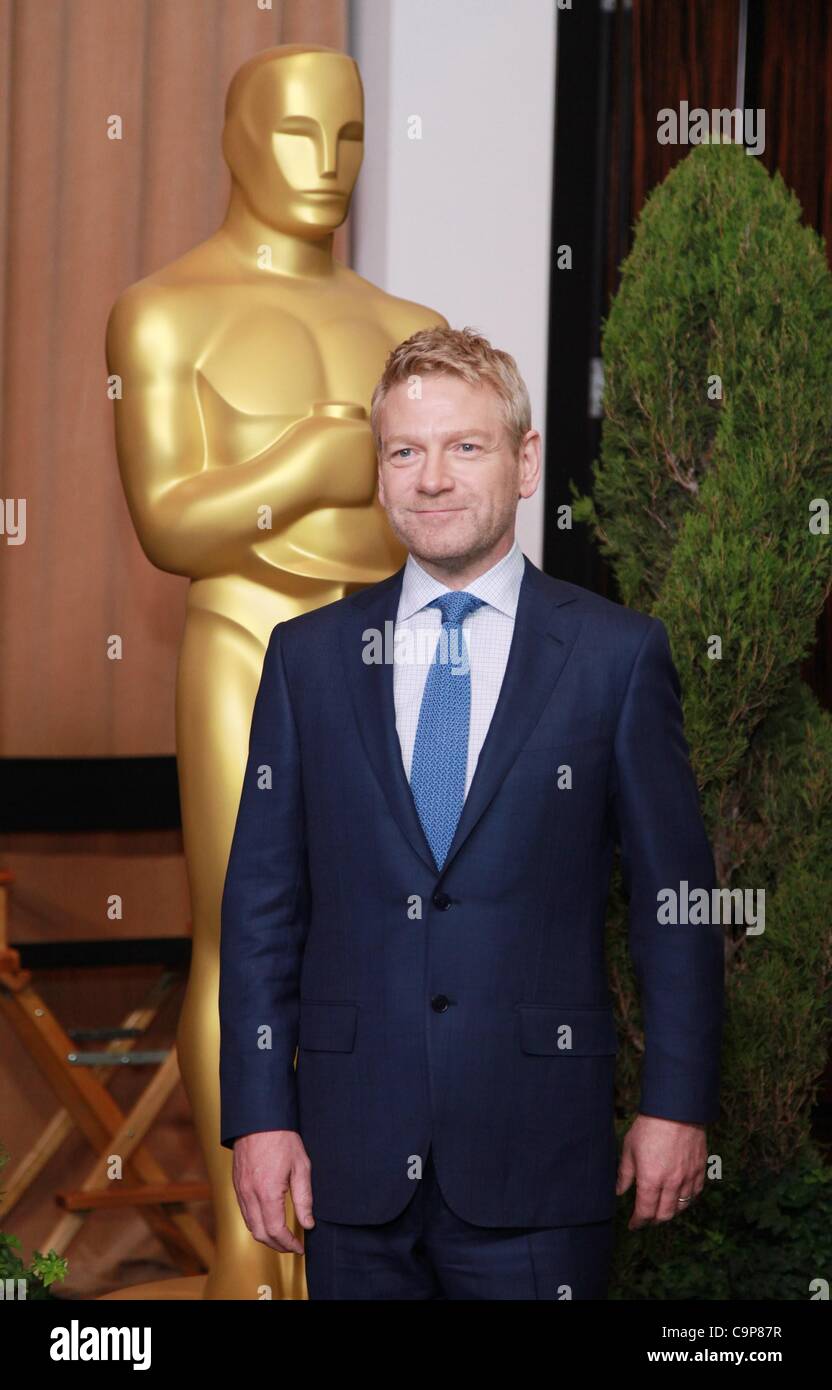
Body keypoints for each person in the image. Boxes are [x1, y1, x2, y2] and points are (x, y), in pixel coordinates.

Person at [218, 325, 724, 1300]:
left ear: (525, 462)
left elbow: (676, 907)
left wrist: (677, 1102)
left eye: (465, 446)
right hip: (347, 1163)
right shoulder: (307, 660)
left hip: (539, 1162)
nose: (433, 478)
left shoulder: (616, 658)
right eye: (405, 451)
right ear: (379, 476)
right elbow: (260, 914)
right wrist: (260, 1114)